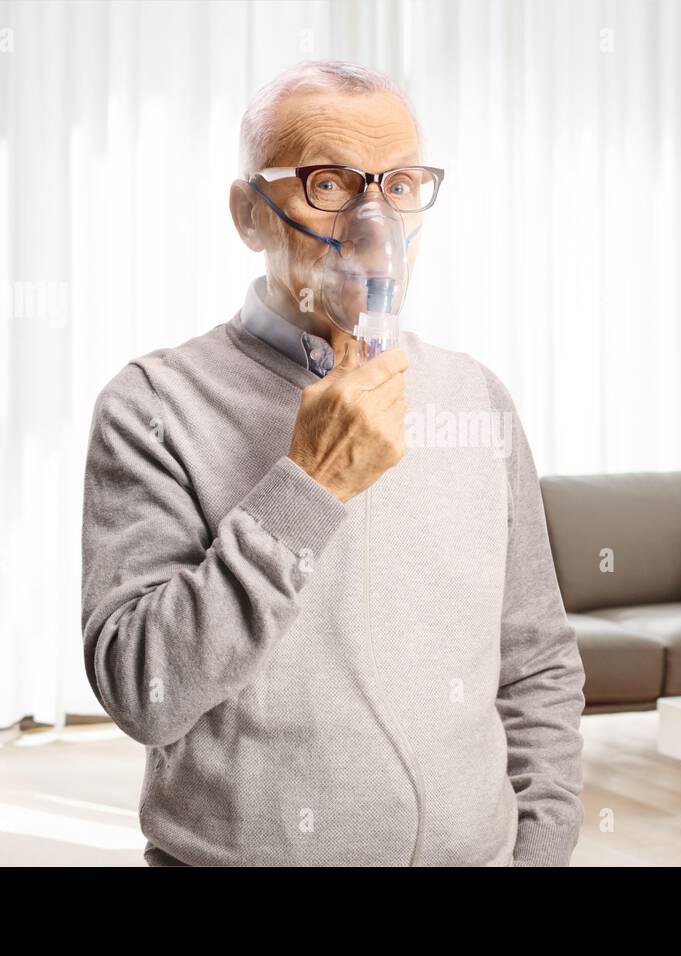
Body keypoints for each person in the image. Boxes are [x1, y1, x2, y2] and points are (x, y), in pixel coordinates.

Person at [80, 60, 584, 866]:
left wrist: (540, 849)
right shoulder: (154, 404)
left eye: (402, 183)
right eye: (329, 184)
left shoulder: (475, 397)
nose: (373, 222)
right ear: (250, 213)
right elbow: (145, 688)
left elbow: (537, 660)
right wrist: (308, 484)